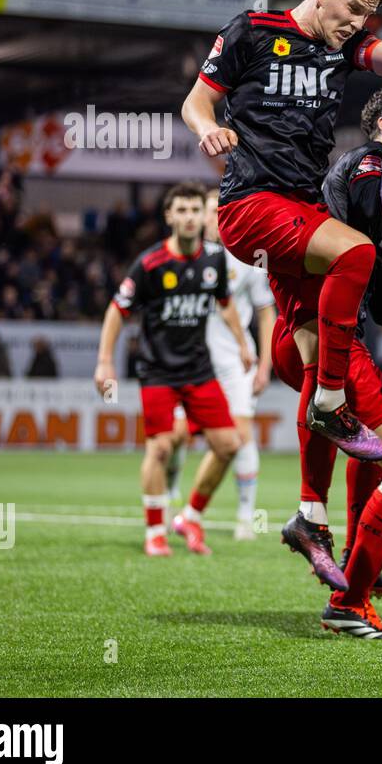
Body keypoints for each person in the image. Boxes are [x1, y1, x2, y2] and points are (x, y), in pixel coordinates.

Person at [182, 0, 382, 582]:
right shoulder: (252, 31)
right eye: (350, 8)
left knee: (314, 349)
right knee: (358, 254)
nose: (355, 22)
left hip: (301, 212)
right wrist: (207, 127)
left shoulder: (347, 47)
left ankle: (310, 516)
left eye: (364, 13)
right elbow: (197, 100)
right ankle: (332, 402)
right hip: (251, 205)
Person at [268, 87, 382, 638]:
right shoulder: (368, 169)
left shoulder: (379, 184)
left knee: (381, 450)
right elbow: (362, 236)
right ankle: (345, 591)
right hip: (318, 338)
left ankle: (351, 560)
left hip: (331, 337)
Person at [94, 182, 249, 557]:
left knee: (228, 445)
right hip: (159, 372)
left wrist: (244, 344)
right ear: (169, 217)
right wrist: (104, 362)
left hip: (199, 370)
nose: (190, 217)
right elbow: (118, 310)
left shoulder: (214, 259)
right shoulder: (150, 264)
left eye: (195, 210)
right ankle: (154, 533)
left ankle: (191, 516)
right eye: (181, 210)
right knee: (161, 447)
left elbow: (225, 303)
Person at [168, 189, 276, 541]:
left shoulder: (250, 259)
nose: (213, 217)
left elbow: (266, 314)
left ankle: (245, 517)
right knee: (177, 436)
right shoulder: (184, 256)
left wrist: (265, 365)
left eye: (219, 210)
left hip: (235, 362)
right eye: (209, 211)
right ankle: (172, 501)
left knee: (241, 436)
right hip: (192, 359)